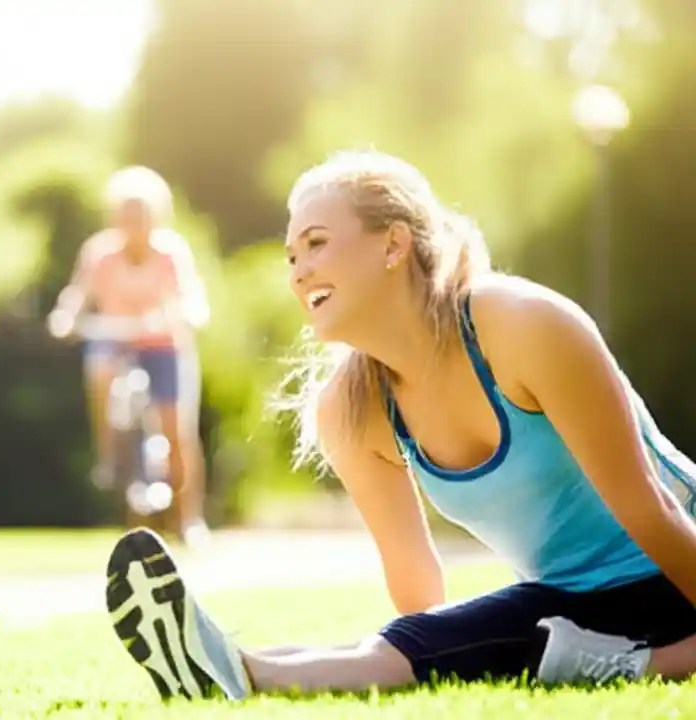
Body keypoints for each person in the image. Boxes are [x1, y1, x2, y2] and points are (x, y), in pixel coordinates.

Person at [103, 150, 696, 700]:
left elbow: (652, 509)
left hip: (680, 560)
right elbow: (420, 596)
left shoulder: (519, 326)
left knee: (518, 643)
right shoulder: (352, 409)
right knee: (441, 643)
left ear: (393, 245)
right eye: (291, 257)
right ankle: (233, 667)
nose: (299, 272)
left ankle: (641, 664)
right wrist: (436, 652)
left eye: (316, 244)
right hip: (574, 611)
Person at [48, 166, 211, 546]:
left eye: (140, 215)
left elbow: (191, 296)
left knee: (176, 429)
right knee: (100, 368)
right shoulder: (100, 253)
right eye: (125, 215)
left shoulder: (170, 253)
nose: (132, 223)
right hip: (116, 340)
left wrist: (187, 314)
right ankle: (109, 449)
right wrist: (65, 317)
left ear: (155, 217)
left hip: (163, 343)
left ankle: (189, 518)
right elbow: (77, 295)